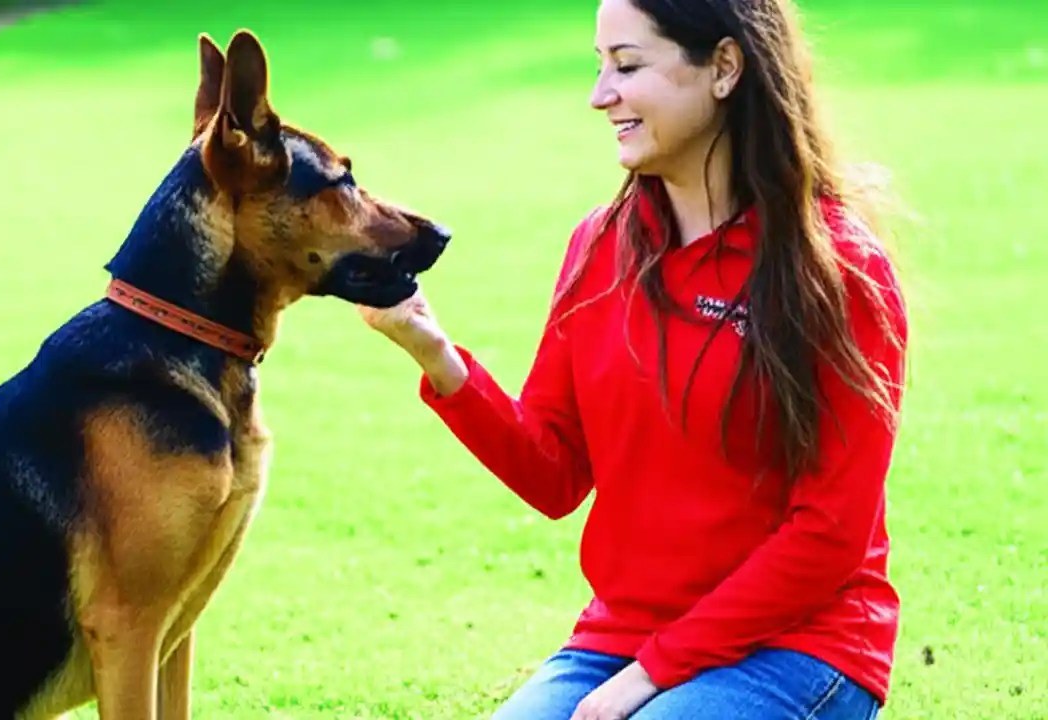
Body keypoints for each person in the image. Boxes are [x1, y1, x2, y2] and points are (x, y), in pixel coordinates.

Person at [358, 0, 909, 718]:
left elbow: (831, 534)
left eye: (626, 65)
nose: (599, 95)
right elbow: (553, 472)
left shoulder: (836, 270)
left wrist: (650, 679)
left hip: (799, 646)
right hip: (621, 638)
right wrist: (436, 357)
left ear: (724, 67)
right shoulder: (600, 247)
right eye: (598, 66)